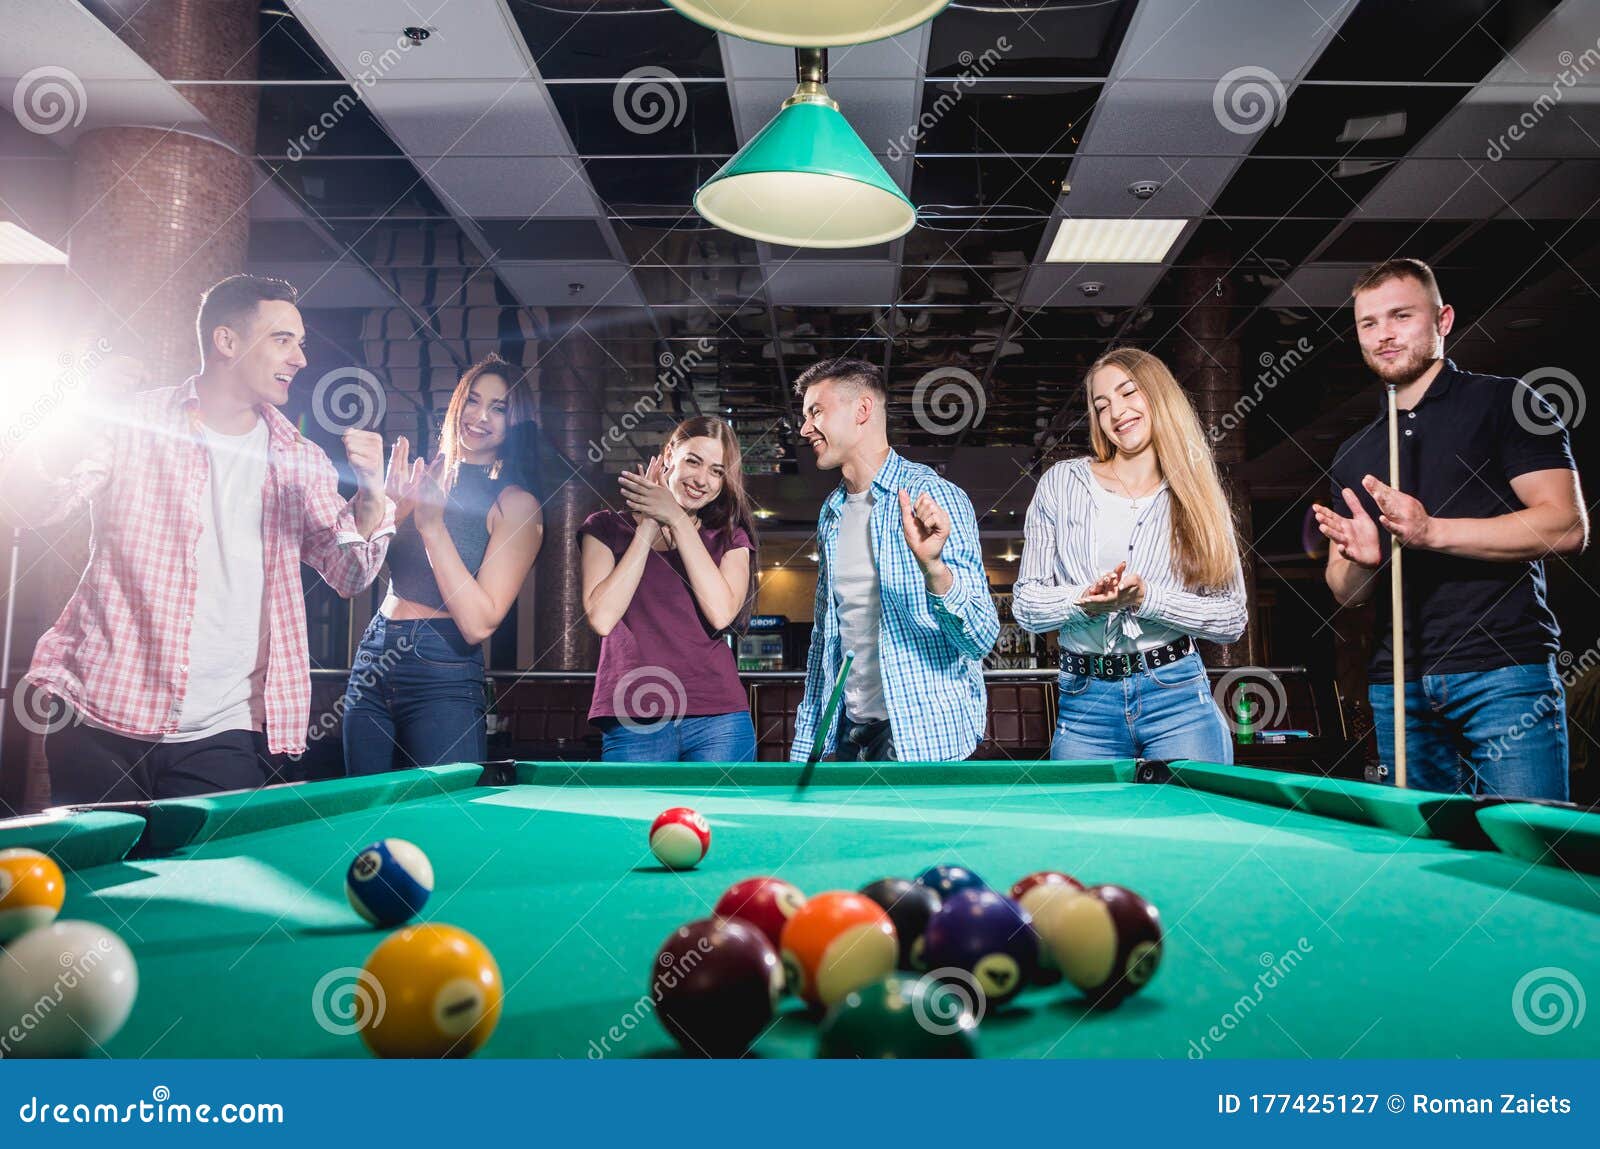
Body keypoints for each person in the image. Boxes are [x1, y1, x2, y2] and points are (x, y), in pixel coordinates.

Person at [8, 275, 398, 803]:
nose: (301, 359)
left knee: (208, 878)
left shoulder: (299, 458)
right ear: (227, 342)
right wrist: (73, 421)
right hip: (102, 711)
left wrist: (371, 493)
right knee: (95, 880)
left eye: (300, 343)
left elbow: (350, 574)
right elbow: (37, 507)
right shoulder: (136, 422)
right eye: (283, 339)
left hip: (224, 729)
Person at [1313, 258, 1587, 800]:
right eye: (1369, 323)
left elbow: (1566, 526)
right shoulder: (1354, 452)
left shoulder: (1506, 401)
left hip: (1503, 674)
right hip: (1399, 686)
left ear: (1443, 320)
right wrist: (1365, 564)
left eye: (1400, 316)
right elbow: (1345, 593)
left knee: (1528, 855)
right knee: (1427, 859)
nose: (1384, 334)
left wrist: (1431, 531)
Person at [1014, 348, 1246, 762]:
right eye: (1101, 406)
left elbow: (1232, 618)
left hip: (1178, 700)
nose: (1116, 412)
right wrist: (1084, 602)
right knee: (1084, 827)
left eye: (1127, 393)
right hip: (1085, 705)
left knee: (1189, 827)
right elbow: (1027, 605)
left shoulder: (1199, 495)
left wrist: (1146, 599)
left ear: (1159, 396)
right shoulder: (1061, 484)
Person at [342, 354, 544, 775]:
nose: (480, 416)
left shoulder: (516, 503)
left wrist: (432, 527)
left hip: (443, 666)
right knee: (361, 811)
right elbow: (349, 568)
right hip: (374, 653)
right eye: (472, 401)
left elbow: (479, 623)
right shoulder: (417, 477)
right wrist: (379, 503)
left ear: (515, 423)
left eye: (498, 408)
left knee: (443, 816)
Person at [789, 358, 998, 763]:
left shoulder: (934, 497)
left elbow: (980, 638)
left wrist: (934, 569)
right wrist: (806, 745)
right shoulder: (831, 512)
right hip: (850, 733)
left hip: (924, 734)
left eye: (816, 412)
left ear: (862, 410)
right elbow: (824, 638)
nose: (804, 428)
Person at [580, 416, 759, 762]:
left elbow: (721, 613)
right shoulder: (605, 527)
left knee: (720, 819)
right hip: (634, 716)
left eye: (717, 471)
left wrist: (676, 520)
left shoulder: (730, 537)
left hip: (719, 719)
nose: (701, 480)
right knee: (636, 819)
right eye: (693, 461)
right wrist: (649, 524)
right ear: (668, 456)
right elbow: (602, 618)